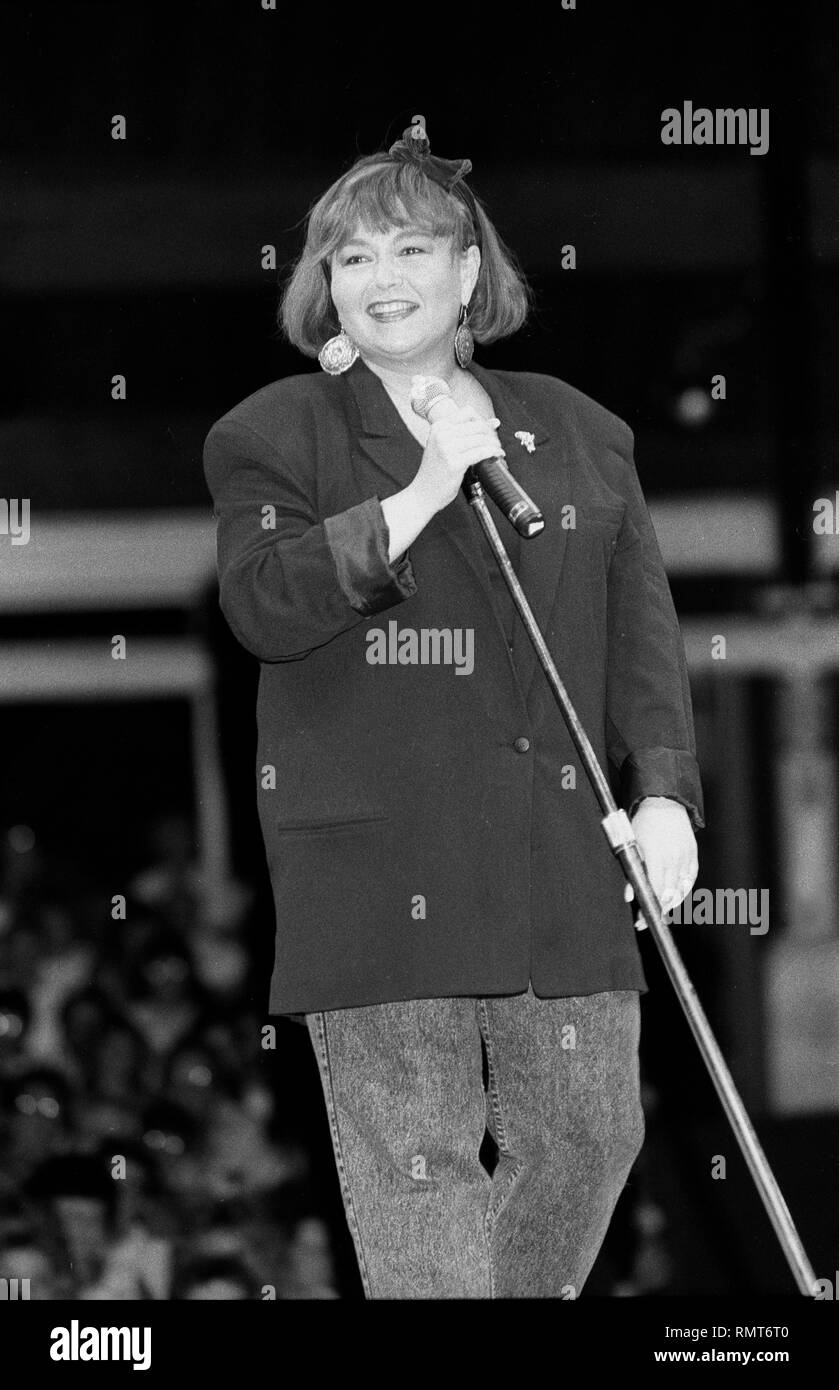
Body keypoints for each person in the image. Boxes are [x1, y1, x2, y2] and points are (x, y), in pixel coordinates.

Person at [203, 122, 703, 1299]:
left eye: (410, 249)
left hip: (559, 852)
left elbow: (639, 634)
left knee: (591, 1135)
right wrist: (425, 489)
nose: (380, 278)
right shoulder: (274, 432)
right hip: (378, 869)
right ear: (325, 285)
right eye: (352, 257)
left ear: (468, 270)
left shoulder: (580, 431)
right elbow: (265, 605)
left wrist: (666, 794)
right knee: (420, 1167)